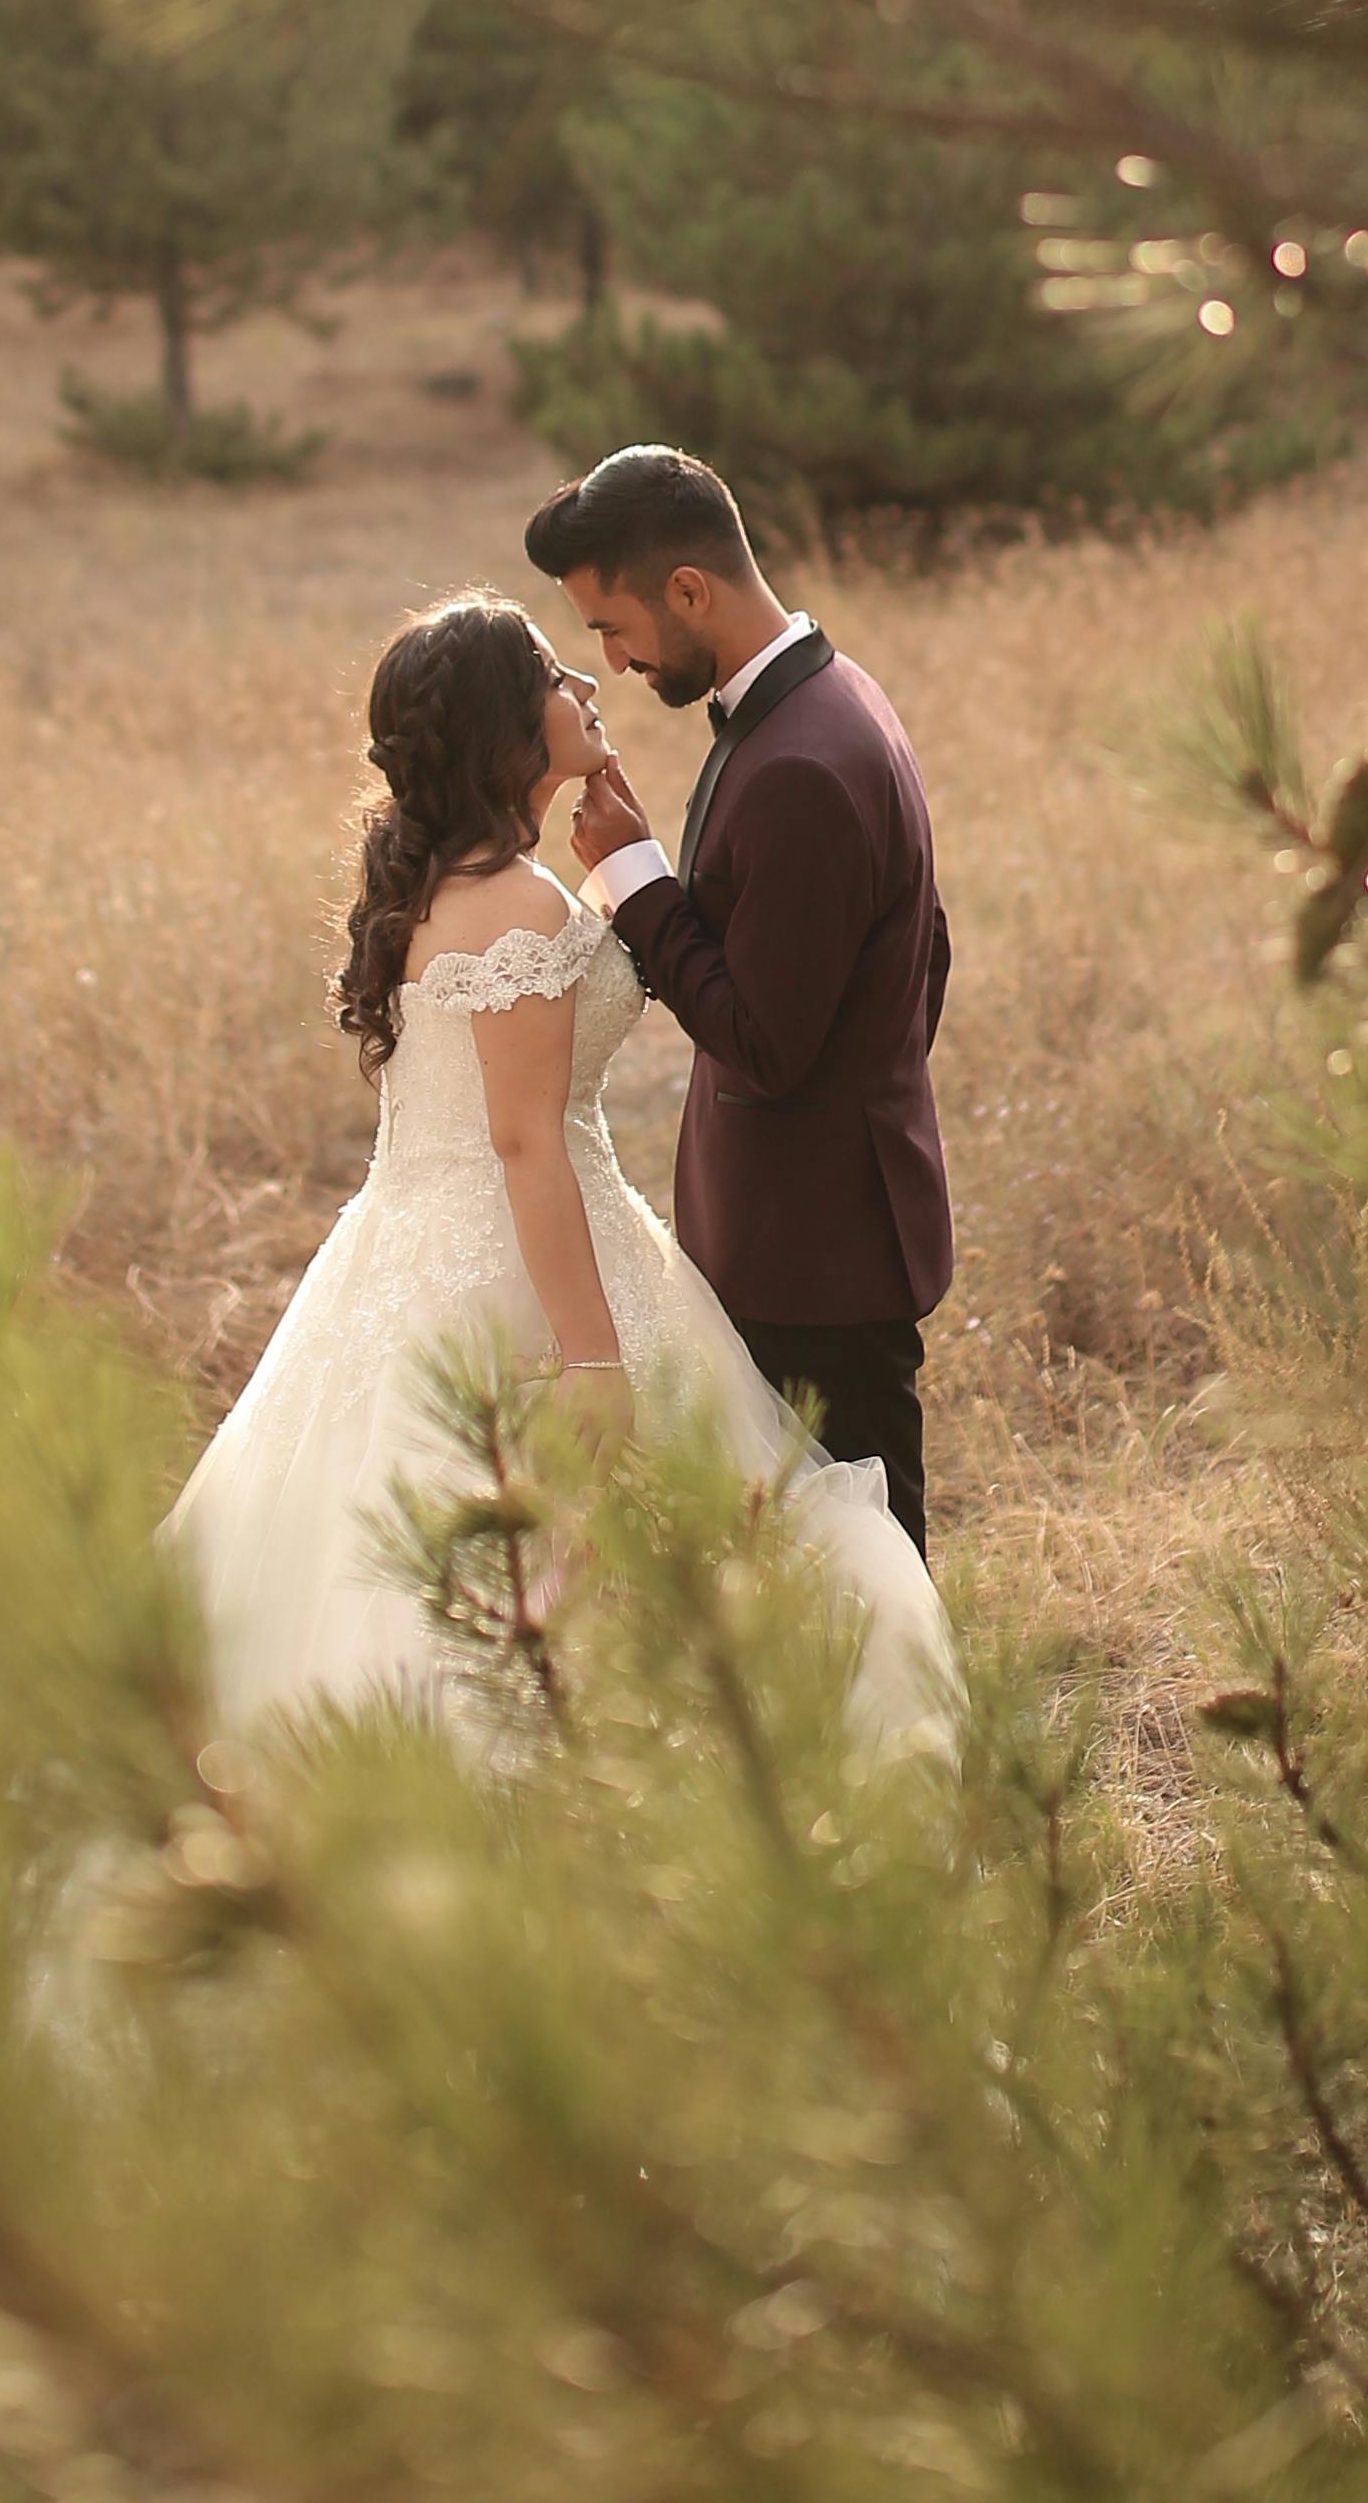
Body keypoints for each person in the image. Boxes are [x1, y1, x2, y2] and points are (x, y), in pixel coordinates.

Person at [161, 592, 950, 1756]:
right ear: (504, 728)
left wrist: (618, 876)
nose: (586, 685)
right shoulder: (516, 910)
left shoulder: (449, 888)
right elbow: (526, 1143)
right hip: (532, 1260)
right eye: (551, 673)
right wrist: (591, 1356)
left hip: (407, 1247)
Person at [526, 445, 949, 1566]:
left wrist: (633, 878)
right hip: (823, 1228)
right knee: (829, 1580)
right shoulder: (822, 699)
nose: (611, 665)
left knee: (865, 1585)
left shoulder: (801, 761)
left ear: (687, 591)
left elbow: (766, 1043)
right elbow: (924, 956)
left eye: (613, 630)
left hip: (816, 1254)